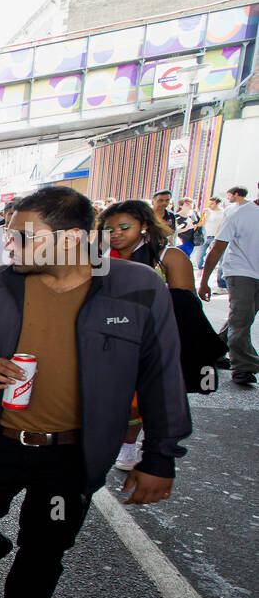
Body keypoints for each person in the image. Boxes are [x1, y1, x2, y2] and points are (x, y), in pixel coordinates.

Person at [0, 186, 189, 598]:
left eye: (23, 236)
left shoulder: (137, 286)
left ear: (72, 238)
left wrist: (160, 458)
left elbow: (161, 374)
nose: (10, 246)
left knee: (44, 550)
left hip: (73, 455)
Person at [98, 199, 196, 467]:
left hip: (155, 341)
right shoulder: (99, 259)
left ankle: (142, 447)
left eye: (124, 227)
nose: (116, 234)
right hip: (113, 341)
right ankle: (124, 442)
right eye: (110, 229)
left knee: (148, 400)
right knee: (123, 402)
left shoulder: (170, 257)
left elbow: (186, 307)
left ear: (144, 226)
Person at [199, 188, 259, 386]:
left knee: (242, 318)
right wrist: (204, 280)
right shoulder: (240, 214)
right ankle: (244, 366)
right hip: (240, 272)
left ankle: (213, 350)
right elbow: (217, 248)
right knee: (241, 318)